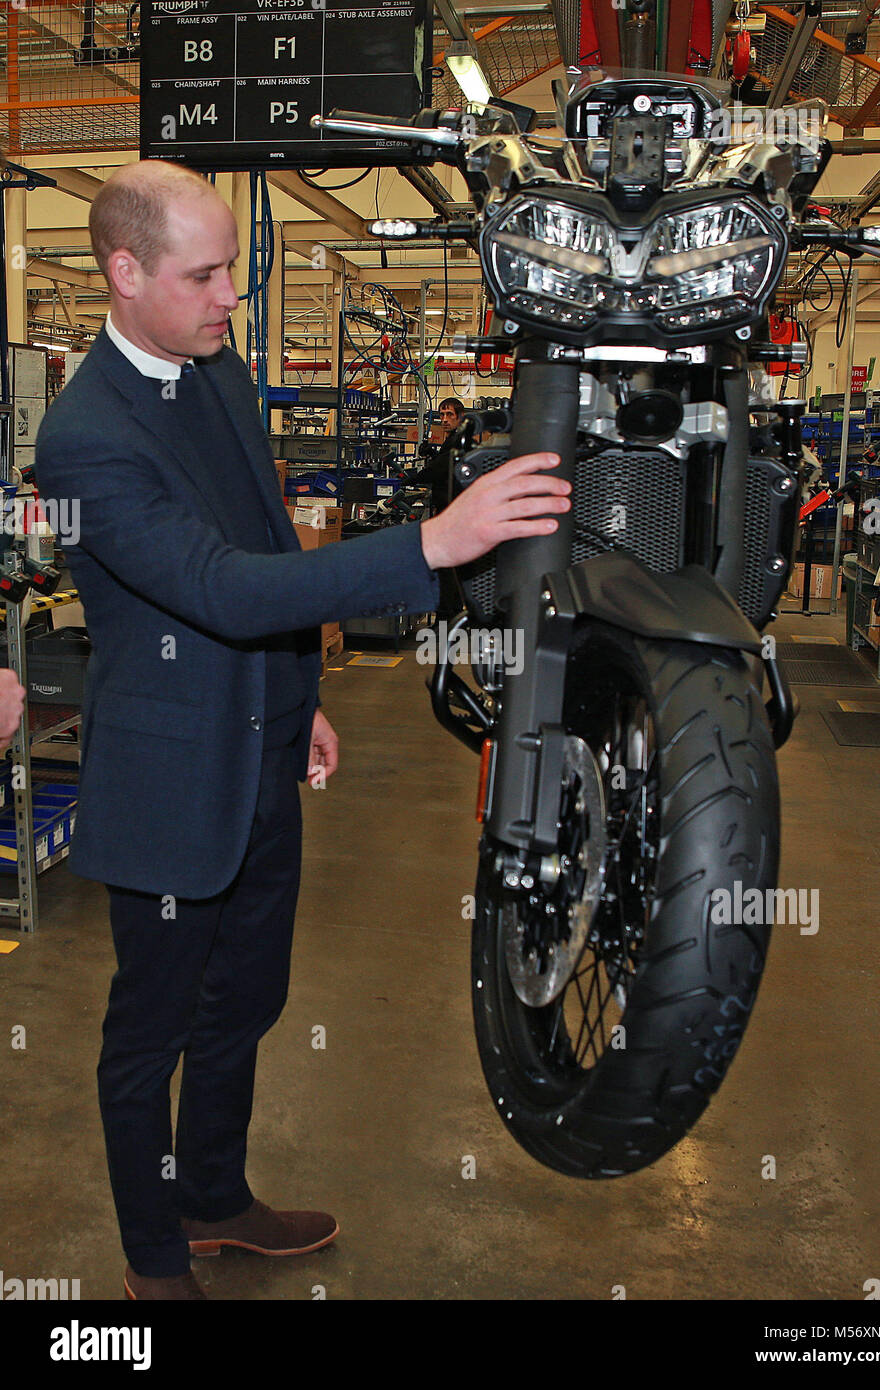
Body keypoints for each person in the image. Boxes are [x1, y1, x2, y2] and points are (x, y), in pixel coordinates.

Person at [33, 161, 570, 1302]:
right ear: (124, 275)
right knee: (149, 1035)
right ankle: (151, 1254)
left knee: (249, 998)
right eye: (209, 274)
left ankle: (215, 1195)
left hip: (264, 742)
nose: (234, 294)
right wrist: (428, 544)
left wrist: (302, 694)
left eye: (232, 267)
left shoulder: (215, 369)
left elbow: (266, 545)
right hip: (175, 778)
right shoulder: (85, 438)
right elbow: (219, 589)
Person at [412, 396, 465, 515]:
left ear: (460, 416)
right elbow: (445, 462)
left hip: (452, 504)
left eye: (450, 414)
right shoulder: (451, 438)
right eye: (442, 415)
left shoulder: (458, 440)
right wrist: (432, 453)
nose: (445, 419)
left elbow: (437, 470)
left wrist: (410, 480)